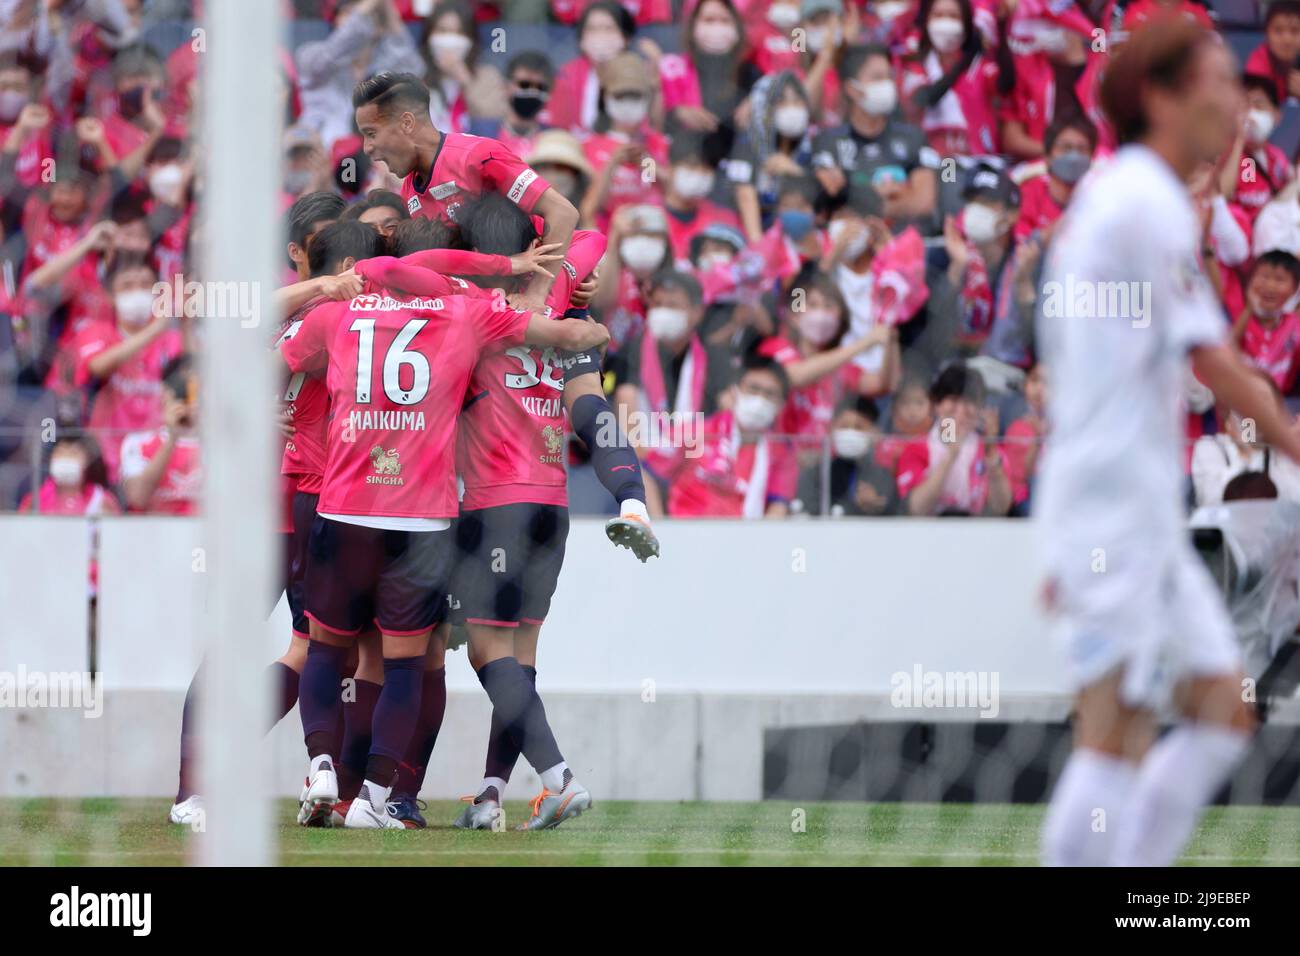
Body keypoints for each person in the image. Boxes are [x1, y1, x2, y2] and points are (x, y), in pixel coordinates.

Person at [1037, 23, 1300, 867]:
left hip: (1134, 508)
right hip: (1108, 507)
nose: (1236, 101)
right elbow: (1217, 365)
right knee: (1115, 732)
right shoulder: (1141, 202)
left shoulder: (1134, 199)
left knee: (1223, 714)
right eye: (1218, 81)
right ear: (1159, 96)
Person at [277, 225, 609, 830]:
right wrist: (588, 323)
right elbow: (569, 329)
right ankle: (376, 799)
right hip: (424, 518)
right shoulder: (467, 312)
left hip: (343, 506)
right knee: (409, 665)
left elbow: (268, 358)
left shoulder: (340, 310)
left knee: (323, 650)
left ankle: (322, 768)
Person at [352, 71, 579, 312]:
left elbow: (563, 213)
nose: (367, 148)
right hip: (480, 311)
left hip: (530, 301)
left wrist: (537, 294)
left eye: (371, 134)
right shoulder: (409, 191)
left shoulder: (478, 156)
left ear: (407, 123)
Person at [811, 44, 941, 228]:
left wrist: (856, 198)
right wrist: (894, 194)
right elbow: (827, 203)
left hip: (904, 241)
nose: (887, 84)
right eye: (877, 78)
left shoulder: (913, 137)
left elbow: (923, 203)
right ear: (852, 89)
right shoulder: (827, 141)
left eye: (889, 77)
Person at [666, 353, 799, 518]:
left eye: (769, 394)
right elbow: (647, 474)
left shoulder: (782, 453)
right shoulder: (695, 432)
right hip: (684, 529)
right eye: (753, 389)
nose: (760, 399)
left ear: (781, 406)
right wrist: (654, 527)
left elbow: (778, 509)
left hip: (746, 532)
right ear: (734, 391)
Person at [896, 361, 1010, 516]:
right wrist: (950, 455)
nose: (961, 410)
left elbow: (1000, 508)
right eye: (954, 400)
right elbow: (916, 509)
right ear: (936, 405)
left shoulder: (988, 449)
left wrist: (991, 452)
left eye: (970, 401)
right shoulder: (917, 448)